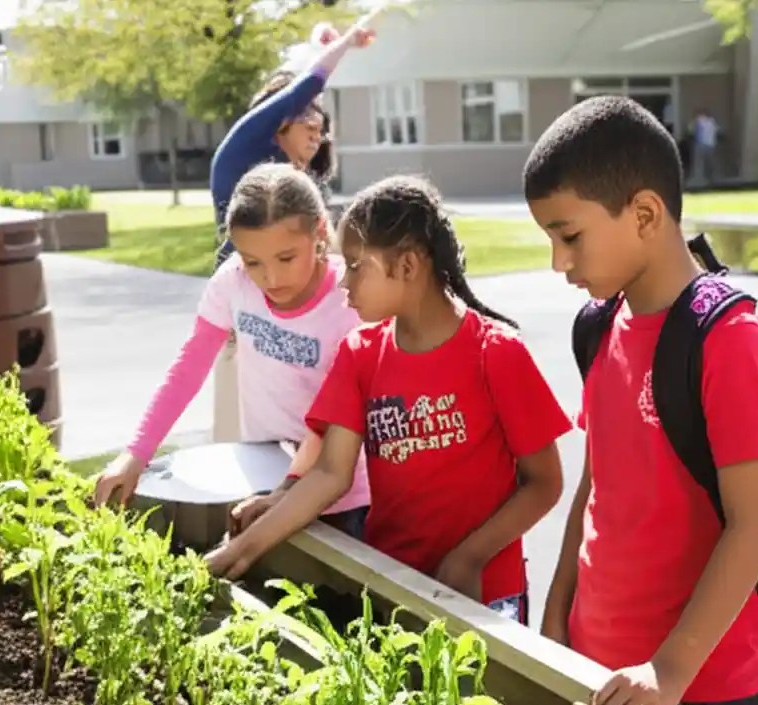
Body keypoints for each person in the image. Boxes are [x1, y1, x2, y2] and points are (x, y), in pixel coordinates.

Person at [206, 176, 570, 623]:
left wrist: (470, 557)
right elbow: (329, 473)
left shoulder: (496, 353)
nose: (344, 282)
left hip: (485, 593)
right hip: (394, 584)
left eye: (356, 266)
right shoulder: (359, 354)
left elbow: (545, 482)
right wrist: (245, 547)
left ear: (408, 266)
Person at [524, 95, 758, 705]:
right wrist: (558, 612)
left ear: (643, 213)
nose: (559, 263)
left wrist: (667, 672)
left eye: (569, 236)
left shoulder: (730, 341)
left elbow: (756, 527)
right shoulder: (599, 326)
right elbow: (596, 481)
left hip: (694, 686)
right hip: (598, 668)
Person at [94, 163, 370, 537]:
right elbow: (188, 368)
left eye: (286, 258)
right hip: (261, 486)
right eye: (252, 261)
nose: (270, 279)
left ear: (320, 231)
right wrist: (136, 454)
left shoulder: (352, 300)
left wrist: (291, 491)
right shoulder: (233, 282)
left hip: (342, 500)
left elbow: (339, 421)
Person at [210, 20, 374, 270]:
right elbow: (304, 88)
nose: (316, 138)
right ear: (281, 125)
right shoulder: (243, 149)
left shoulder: (300, 174)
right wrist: (345, 43)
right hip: (244, 283)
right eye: (309, 128)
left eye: (320, 132)